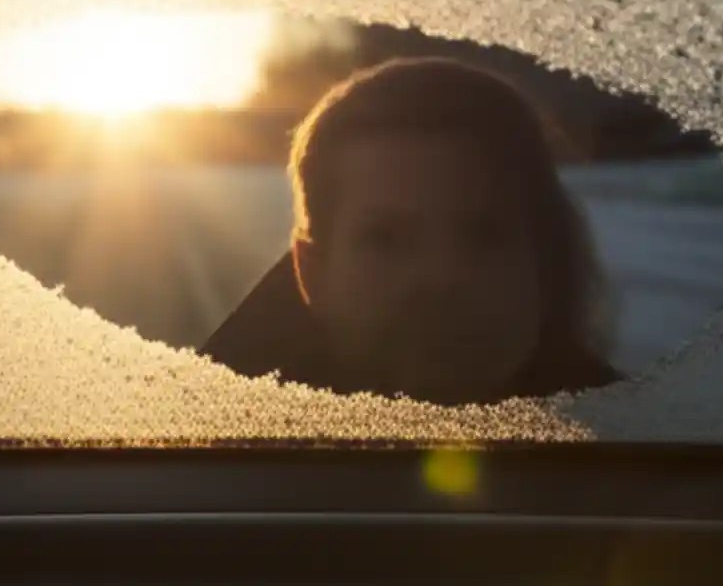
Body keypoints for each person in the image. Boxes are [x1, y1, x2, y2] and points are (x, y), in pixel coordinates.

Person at [201, 57, 620, 405]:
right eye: (385, 240)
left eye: (483, 235)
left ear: (544, 261)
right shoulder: (191, 476)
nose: (442, 278)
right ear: (311, 274)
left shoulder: (657, 471)